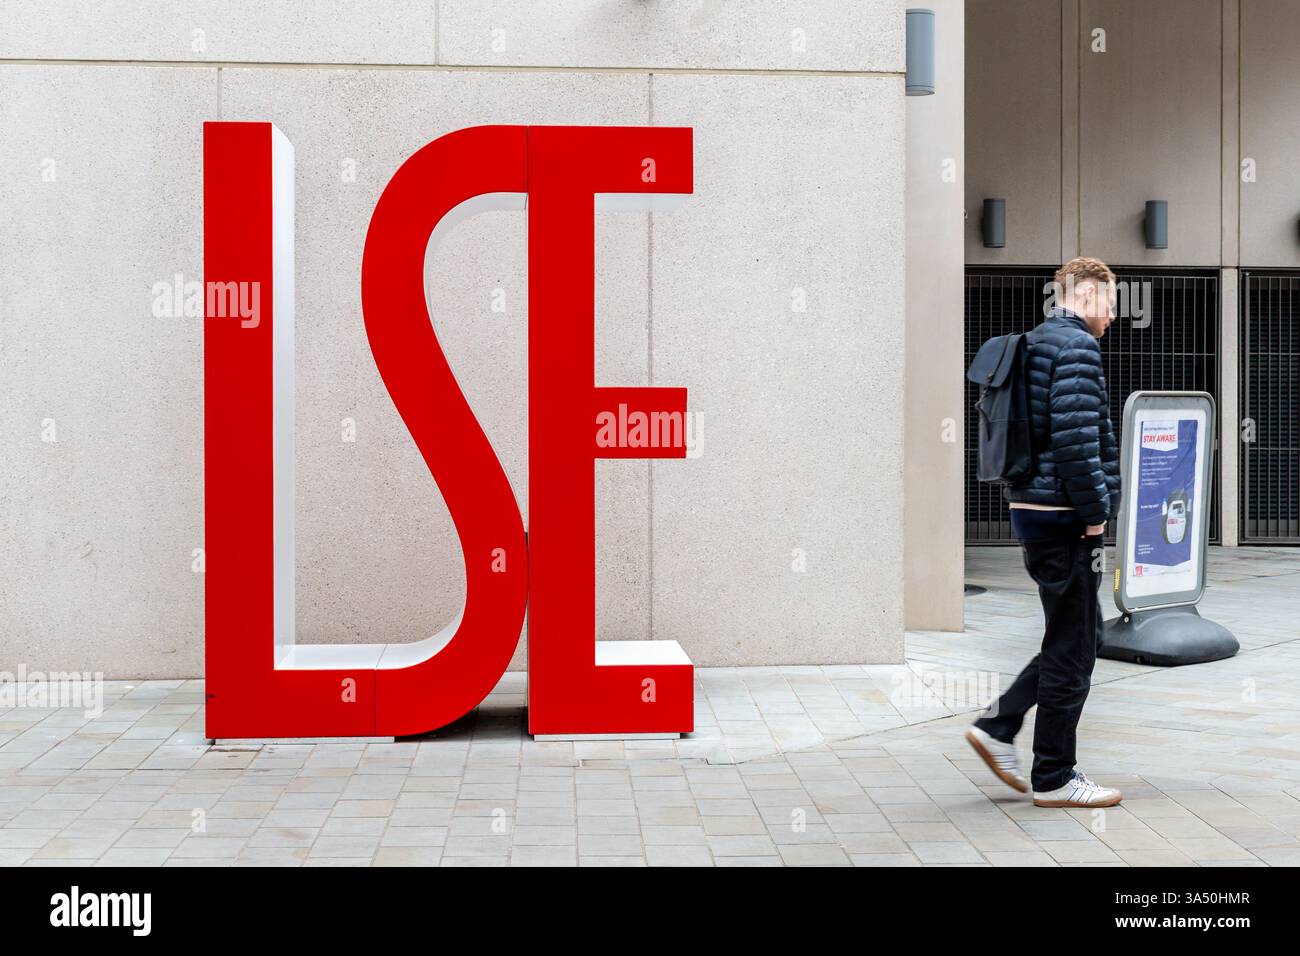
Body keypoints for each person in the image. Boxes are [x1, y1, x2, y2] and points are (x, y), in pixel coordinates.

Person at [965, 256, 1123, 808]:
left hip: (1035, 509)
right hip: (1067, 518)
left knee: (1080, 635)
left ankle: (999, 725)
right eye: (1111, 303)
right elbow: (1078, 438)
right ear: (1090, 294)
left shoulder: (1037, 341)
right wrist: (1097, 511)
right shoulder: (1077, 347)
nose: (1113, 316)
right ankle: (1055, 776)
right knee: (1074, 648)